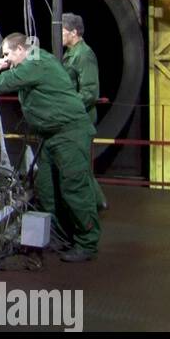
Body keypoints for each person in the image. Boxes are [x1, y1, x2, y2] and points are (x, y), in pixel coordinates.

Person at [0, 33, 101, 262]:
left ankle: (87, 243)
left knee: (74, 188)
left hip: (69, 133)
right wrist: (7, 63)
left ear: (20, 50)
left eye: (7, 54)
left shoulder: (36, 63)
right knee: (46, 188)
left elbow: (9, 81)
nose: (5, 58)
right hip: (50, 136)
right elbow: (21, 65)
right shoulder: (34, 58)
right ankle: (60, 236)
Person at [62, 13, 108, 212]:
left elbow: (89, 92)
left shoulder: (84, 55)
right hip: (72, 117)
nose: (59, 35)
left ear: (74, 32)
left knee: (80, 165)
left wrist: (66, 108)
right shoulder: (70, 53)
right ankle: (95, 201)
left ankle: (96, 202)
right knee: (77, 164)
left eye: (62, 31)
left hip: (80, 118)